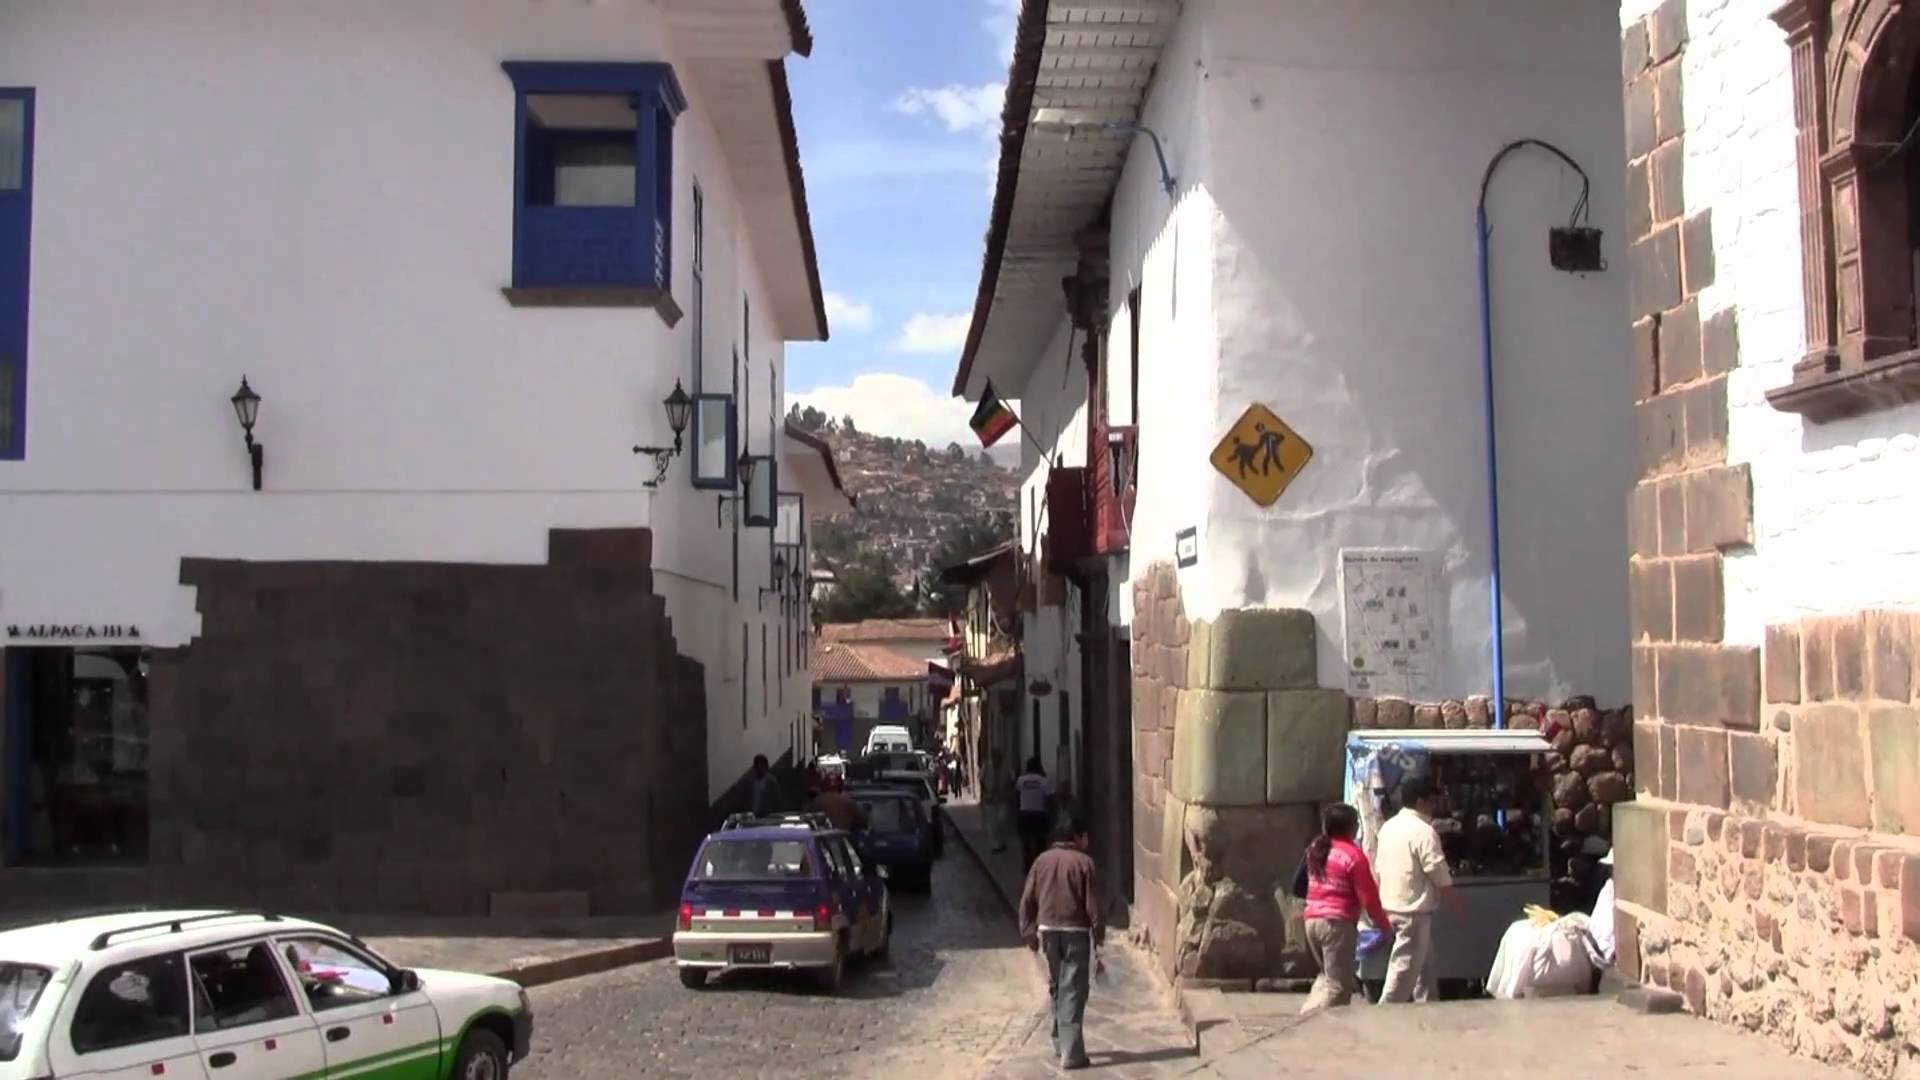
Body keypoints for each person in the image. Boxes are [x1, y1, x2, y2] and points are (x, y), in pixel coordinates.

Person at [1018, 812, 1103, 1071]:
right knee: (1074, 990)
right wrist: (1098, 936)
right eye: (1085, 835)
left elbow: (1027, 900)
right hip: (1075, 932)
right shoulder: (1084, 863)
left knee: (1057, 986)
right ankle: (1072, 1052)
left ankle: (1058, 1039)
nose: (1088, 840)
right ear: (1077, 837)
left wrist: (1028, 932)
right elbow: (1092, 906)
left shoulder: (1041, 861)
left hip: (1047, 932)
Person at [1373, 776, 1462, 1004]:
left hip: (1392, 903)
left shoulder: (1388, 827)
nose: (1435, 806)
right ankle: (1387, 1010)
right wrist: (1453, 900)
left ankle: (1428, 1004)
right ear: (1421, 801)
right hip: (1412, 910)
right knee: (1404, 967)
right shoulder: (1423, 831)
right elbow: (1436, 868)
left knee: (1424, 963)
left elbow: (1378, 866)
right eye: (1433, 801)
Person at [1301, 803, 1392, 1010]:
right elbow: (1368, 897)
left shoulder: (1315, 849)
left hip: (1312, 920)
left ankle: (1310, 1016)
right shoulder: (1353, 855)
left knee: (1326, 978)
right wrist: (1383, 925)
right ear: (1352, 827)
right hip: (1336, 925)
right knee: (1338, 989)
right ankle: (1311, 1024)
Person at [1015, 756, 1054, 872]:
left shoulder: (1021, 780)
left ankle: (1028, 868)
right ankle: (1040, 868)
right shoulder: (1044, 781)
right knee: (1040, 842)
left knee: (1026, 844)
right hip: (1039, 815)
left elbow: (1016, 797)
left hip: (1024, 815)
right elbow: (1050, 798)